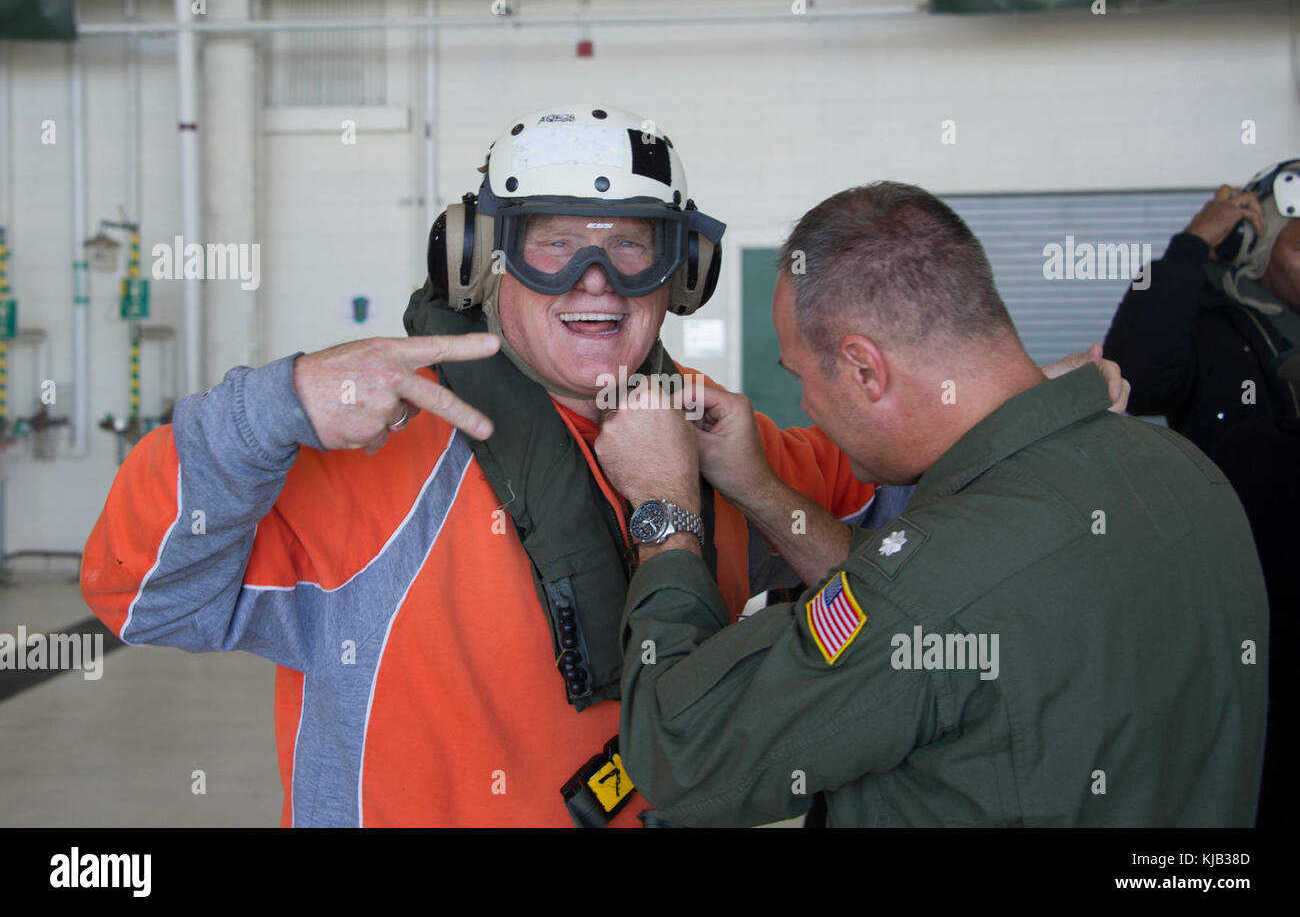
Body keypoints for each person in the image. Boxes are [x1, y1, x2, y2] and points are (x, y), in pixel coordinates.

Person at [81, 106, 1126, 828]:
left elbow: (889, 479)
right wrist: (273, 408)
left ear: (683, 273)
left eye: (634, 247)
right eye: (553, 244)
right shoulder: (379, 457)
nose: (597, 282)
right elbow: (143, 595)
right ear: (480, 259)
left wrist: (1025, 404)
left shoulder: (713, 436)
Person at [595, 181, 1269, 827]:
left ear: (864, 369)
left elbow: (682, 755)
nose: (803, 408)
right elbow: (925, 600)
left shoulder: (933, 586)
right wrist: (757, 486)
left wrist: (665, 506)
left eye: (800, 377)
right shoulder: (1188, 474)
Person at [1104, 162, 1300, 827]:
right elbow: (1136, 372)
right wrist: (1190, 245)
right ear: (1260, 248)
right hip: (1254, 629)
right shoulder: (1214, 325)